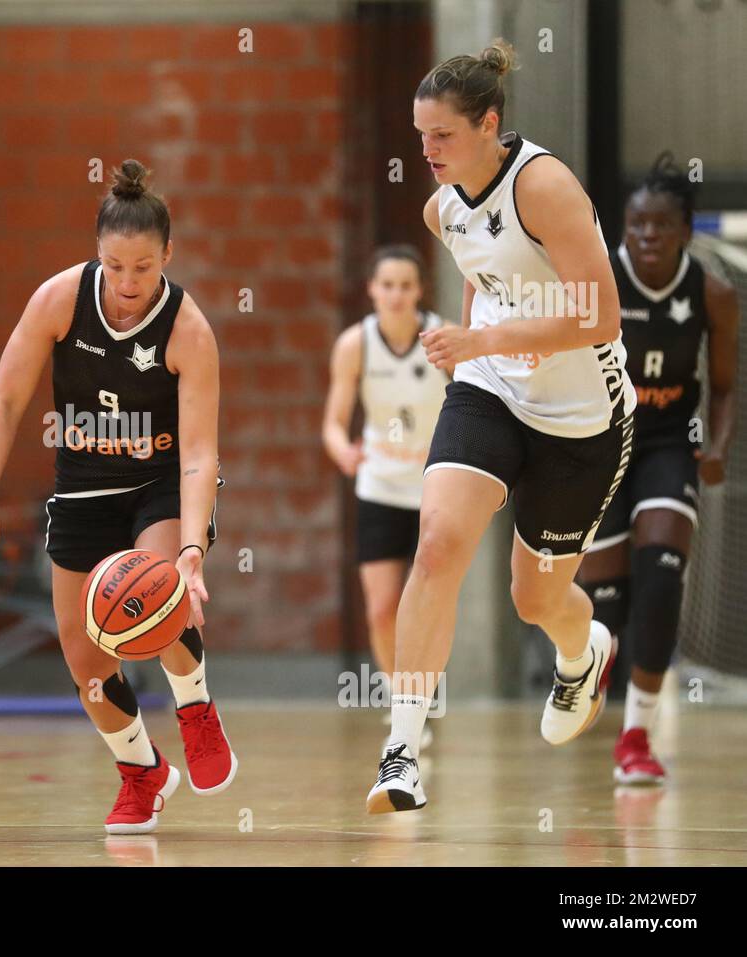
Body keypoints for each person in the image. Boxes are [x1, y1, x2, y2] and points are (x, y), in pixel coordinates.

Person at [367, 39, 637, 813]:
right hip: (491, 390)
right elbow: (483, 282)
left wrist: (481, 340)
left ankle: (581, 651)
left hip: (582, 414)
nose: (428, 152)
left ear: (490, 124)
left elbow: (600, 314)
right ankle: (402, 752)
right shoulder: (441, 202)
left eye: (443, 136)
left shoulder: (544, 186)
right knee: (440, 541)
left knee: (534, 600)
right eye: (420, 137)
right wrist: (469, 356)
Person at [0, 160, 236, 834]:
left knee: (160, 594)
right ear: (98, 255)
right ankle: (142, 774)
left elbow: (200, 454)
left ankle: (195, 708)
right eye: (115, 266)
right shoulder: (58, 300)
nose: (128, 282)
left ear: (167, 255)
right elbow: (4, 399)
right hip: (82, 489)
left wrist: (193, 549)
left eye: (143, 266)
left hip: (159, 484)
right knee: (87, 668)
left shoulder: (188, 329)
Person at [578, 153, 739, 785]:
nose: (647, 236)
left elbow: (722, 387)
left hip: (670, 443)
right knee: (604, 606)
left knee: (663, 578)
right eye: (636, 224)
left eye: (661, 226)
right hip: (601, 441)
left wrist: (719, 444)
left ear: (685, 231)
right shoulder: (600, 284)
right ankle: (590, 674)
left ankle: (637, 735)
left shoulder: (715, 294)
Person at [323, 244, 449, 750]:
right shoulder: (355, 344)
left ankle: (421, 697)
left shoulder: (441, 338)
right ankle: (405, 708)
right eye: (387, 285)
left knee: (427, 603)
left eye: (406, 285)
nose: (396, 295)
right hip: (378, 483)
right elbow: (333, 423)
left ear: (420, 290)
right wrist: (343, 453)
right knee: (381, 609)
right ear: (372, 290)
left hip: (433, 484)